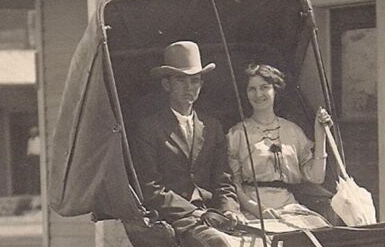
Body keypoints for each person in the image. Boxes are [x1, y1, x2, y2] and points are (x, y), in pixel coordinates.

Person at [131, 40, 246, 237]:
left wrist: (230, 209)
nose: (189, 87)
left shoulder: (212, 127)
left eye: (195, 81)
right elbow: (150, 188)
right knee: (213, 242)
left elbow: (223, 180)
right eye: (181, 80)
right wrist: (194, 213)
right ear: (167, 84)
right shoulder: (150, 128)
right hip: (171, 218)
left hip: (211, 213)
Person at [227, 63, 334, 220]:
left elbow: (317, 178)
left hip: (290, 208)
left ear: (275, 90)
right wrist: (258, 210)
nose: (258, 94)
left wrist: (320, 134)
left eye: (264, 87)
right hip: (253, 210)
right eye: (252, 89)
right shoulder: (237, 134)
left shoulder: (292, 131)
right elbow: (233, 184)